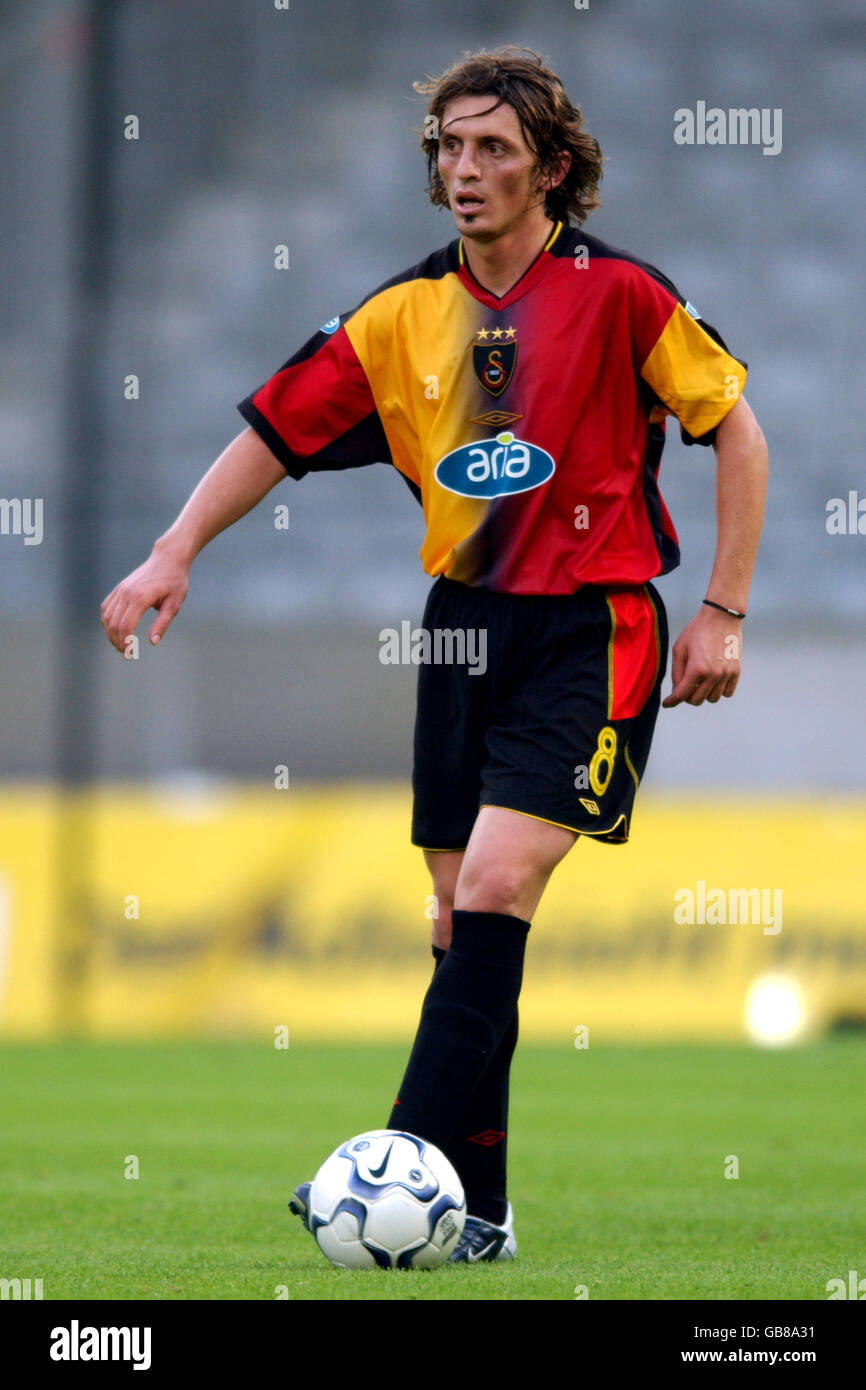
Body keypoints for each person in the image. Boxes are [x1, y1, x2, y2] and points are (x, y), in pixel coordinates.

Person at [100, 46, 768, 1263]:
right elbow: (271, 430)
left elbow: (737, 429)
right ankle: (484, 1213)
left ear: (549, 170)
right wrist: (172, 549)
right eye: (449, 148)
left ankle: (393, 1163)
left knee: (498, 886)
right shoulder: (400, 315)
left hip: (591, 623)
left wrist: (721, 609)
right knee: (460, 929)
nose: (463, 169)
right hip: (459, 629)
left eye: (492, 150)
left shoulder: (619, 296)